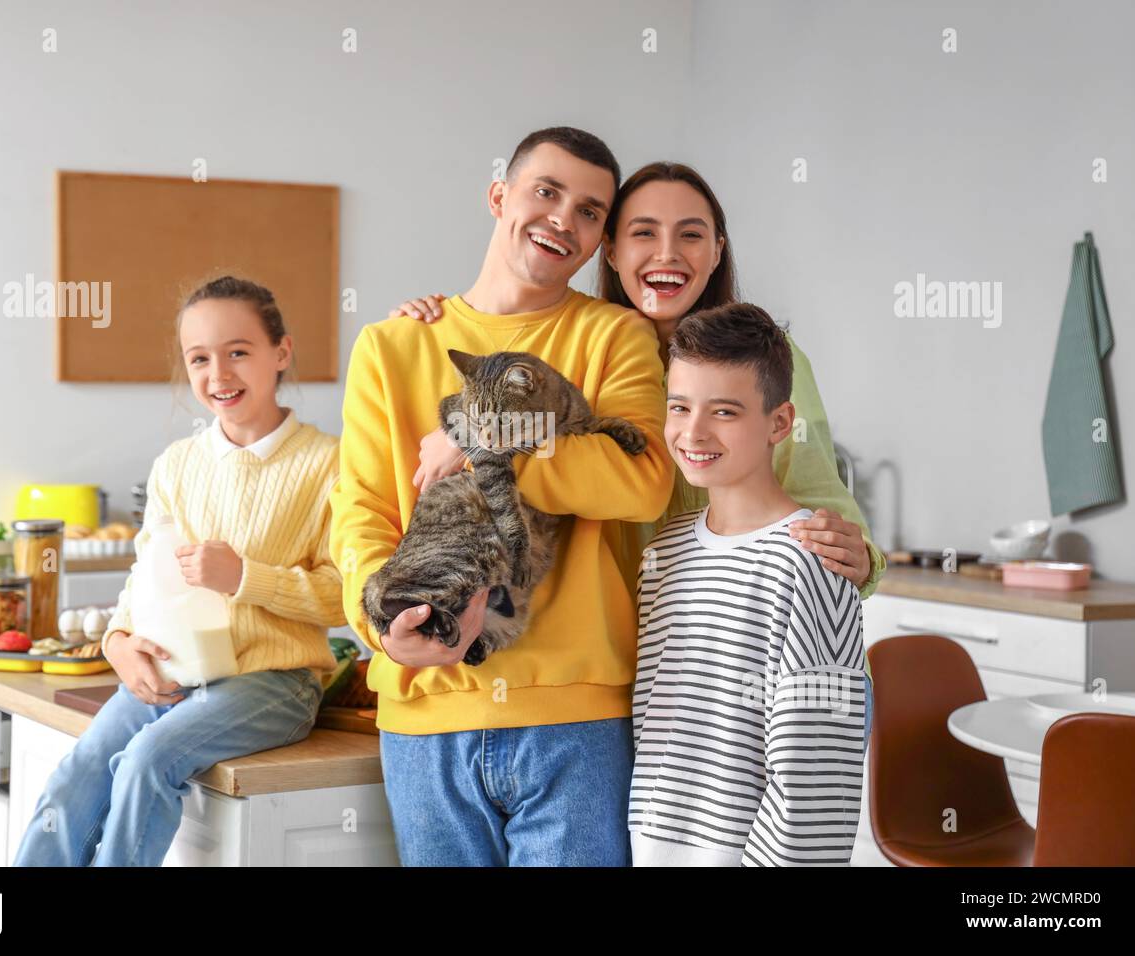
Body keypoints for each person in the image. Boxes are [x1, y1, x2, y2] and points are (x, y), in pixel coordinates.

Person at [395, 161, 879, 729]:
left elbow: (826, 503)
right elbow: (494, 371)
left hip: (760, 662)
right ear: (611, 252)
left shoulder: (770, 361)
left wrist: (861, 557)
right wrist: (429, 321)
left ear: (718, 251)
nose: (667, 253)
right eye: (644, 233)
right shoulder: (587, 357)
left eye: (692, 234)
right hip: (655, 678)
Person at [329, 126, 673, 866]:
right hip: (427, 712)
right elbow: (360, 515)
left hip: (575, 715)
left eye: (589, 211)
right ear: (499, 197)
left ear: (596, 241)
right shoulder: (392, 347)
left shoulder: (617, 336)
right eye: (545, 192)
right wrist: (381, 624)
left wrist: (493, 444)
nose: (562, 219)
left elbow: (640, 481)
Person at [14, 276, 347, 867]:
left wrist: (245, 577)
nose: (218, 374)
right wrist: (117, 640)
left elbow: (346, 598)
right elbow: (146, 576)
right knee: (81, 769)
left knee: (149, 758)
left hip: (275, 684)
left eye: (238, 352)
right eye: (200, 359)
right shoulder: (178, 464)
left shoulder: (331, 464)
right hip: (173, 674)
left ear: (282, 353)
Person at [630, 303, 868, 866]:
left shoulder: (811, 563)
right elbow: (653, 726)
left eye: (725, 412)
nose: (693, 432)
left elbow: (815, 787)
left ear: (780, 424)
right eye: (680, 407)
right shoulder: (663, 553)